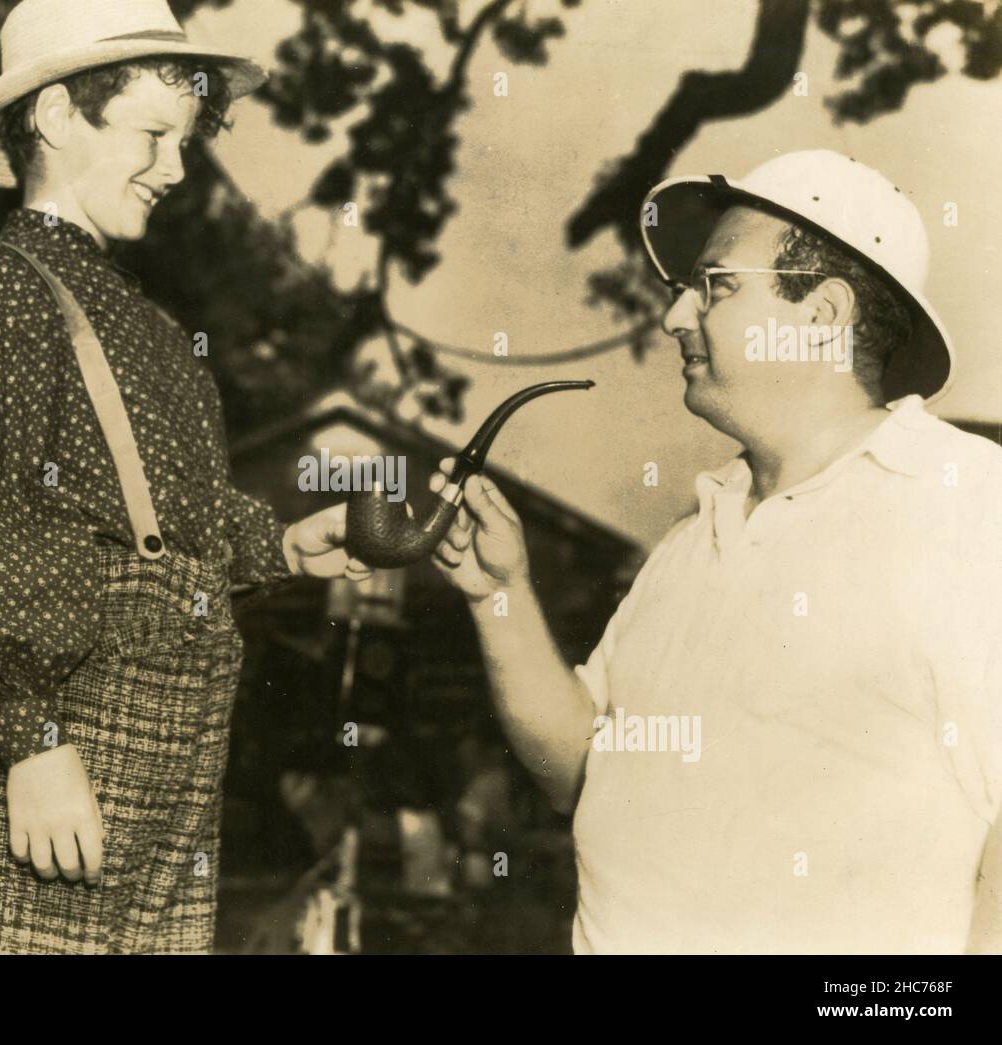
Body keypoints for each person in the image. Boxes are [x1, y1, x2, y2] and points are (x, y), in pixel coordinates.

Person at [429, 150, 1002, 954]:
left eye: (716, 285)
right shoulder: (692, 537)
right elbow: (578, 771)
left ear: (823, 313)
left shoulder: (971, 506)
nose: (674, 317)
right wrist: (499, 593)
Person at [0, 0, 370, 955]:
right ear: (55, 117)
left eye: (187, 139)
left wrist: (276, 542)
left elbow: (165, 513)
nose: (177, 168)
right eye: (153, 134)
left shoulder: (149, 324)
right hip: (70, 748)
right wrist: (30, 737)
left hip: (178, 768)